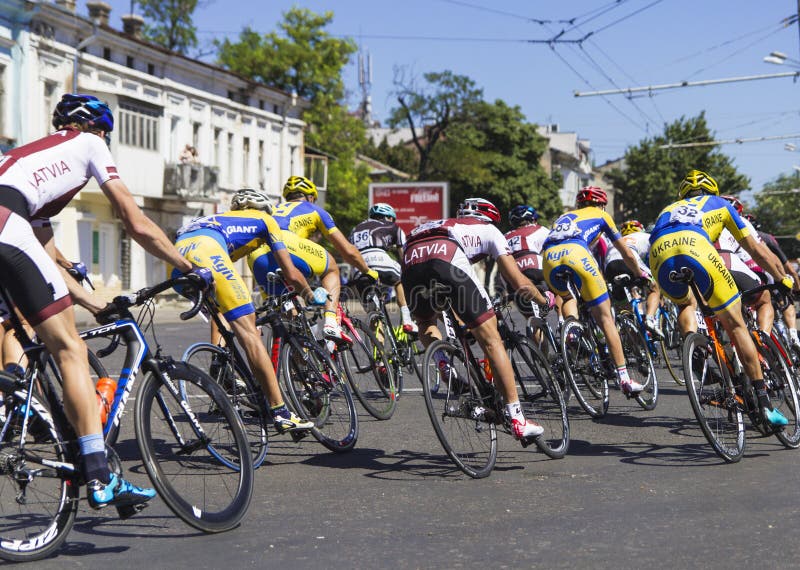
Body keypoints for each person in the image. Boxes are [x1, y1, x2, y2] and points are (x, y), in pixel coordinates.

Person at [0, 93, 212, 511]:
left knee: (17, 327)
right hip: (5, 226)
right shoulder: (88, 143)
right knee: (70, 348)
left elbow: (45, 257)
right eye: (108, 134)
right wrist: (185, 266)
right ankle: (99, 473)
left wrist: (94, 303)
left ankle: (18, 402)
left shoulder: (27, 160)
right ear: (97, 129)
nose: (107, 141)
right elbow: (135, 222)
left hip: (8, 227)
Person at [401, 197, 553, 440]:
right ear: (490, 217)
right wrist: (545, 301)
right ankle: (517, 418)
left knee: (426, 322)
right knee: (492, 339)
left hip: (411, 258)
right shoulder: (490, 230)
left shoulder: (448, 223)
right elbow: (519, 281)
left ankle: (443, 362)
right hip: (446, 255)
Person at [648, 169, 792, 426]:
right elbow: (757, 250)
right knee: (736, 324)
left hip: (659, 255)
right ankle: (764, 402)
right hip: (696, 248)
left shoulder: (667, 209)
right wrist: (781, 278)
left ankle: (693, 344)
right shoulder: (720, 204)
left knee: (687, 303)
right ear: (712, 191)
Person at [173, 188, 318, 434]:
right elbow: (291, 273)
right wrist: (311, 297)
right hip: (208, 255)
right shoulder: (265, 219)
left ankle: (222, 361)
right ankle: (281, 412)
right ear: (262, 208)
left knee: (223, 311)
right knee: (250, 332)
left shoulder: (219, 219)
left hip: (177, 266)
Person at [541, 186, 648, 397]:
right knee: (606, 318)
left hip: (549, 258)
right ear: (601, 204)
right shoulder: (602, 214)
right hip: (576, 253)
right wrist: (639, 273)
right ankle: (624, 378)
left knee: (567, 295)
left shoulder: (564, 216)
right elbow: (624, 250)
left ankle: (571, 331)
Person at [271, 175, 379, 342]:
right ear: (311, 197)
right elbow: (348, 251)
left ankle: (298, 363)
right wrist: (367, 270)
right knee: (331, 268)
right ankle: (330, 322)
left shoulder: (273, 209)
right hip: (286, 244)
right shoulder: (313, 209)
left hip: (259, 255)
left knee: (292, 320)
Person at [348, 202, 417, 333]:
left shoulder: (355, 229)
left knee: (375, 315)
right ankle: (407, 319)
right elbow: (404, 257)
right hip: (380, 259)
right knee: (400, 279)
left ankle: (378, 350)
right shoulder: (393, 226)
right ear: (388, 217)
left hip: (359, 267)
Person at [597, 219, 663, 338]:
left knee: (624, 304)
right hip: (628, 261)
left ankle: (629, 330)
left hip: (610, 267)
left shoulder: (616, 240)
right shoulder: (647, 236)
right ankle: (649, 319)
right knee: (654, 288)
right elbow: (656, 259)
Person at [502, 204, 559, 316]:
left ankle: (534, 326)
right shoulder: (538, 229)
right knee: (560, 292)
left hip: (511, 275)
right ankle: (562, 321)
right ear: (533, 219)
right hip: (534, 266)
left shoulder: (504, 236)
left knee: (531, 319)